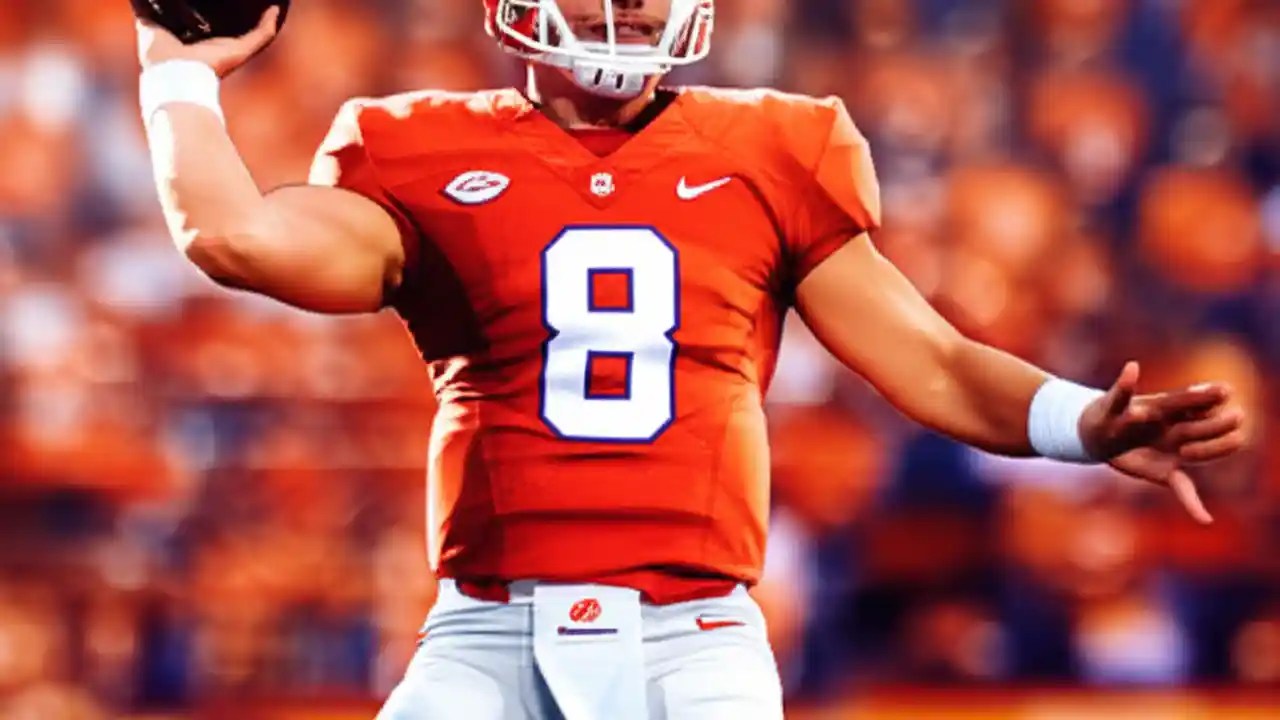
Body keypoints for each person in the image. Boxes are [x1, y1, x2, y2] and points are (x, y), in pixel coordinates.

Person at [134, 1, 1248, 718]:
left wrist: (1082, 424)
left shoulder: (770, 147)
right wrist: (176, 73)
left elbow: (935, 363)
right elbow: (232, 237)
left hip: (694, 638)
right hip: (484, 630)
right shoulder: (420, 149)